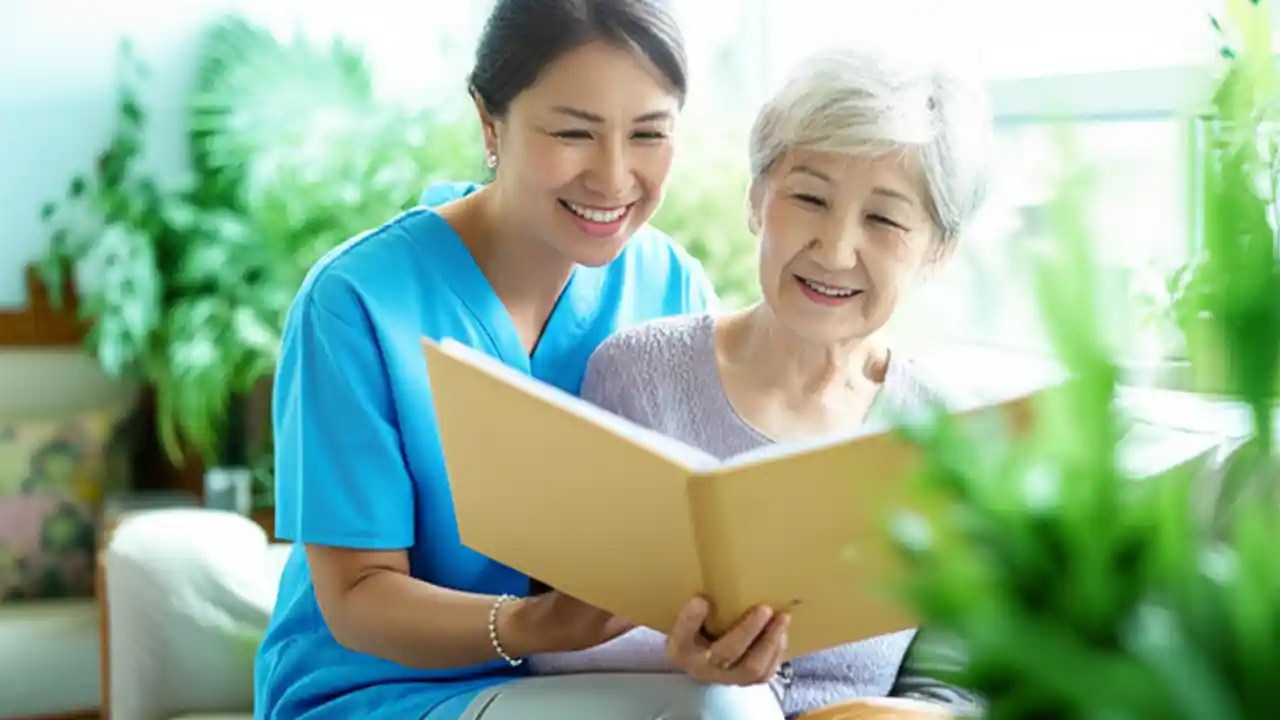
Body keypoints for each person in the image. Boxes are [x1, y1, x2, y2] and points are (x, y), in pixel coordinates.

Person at [253, 1, 794, 718]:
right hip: (379, 692)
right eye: (573, 132)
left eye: (648, 134)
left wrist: (708, 636)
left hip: (584, 681)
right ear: (490, 123)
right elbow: (356, 597)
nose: (613, 177)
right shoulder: (355, 302)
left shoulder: (671, 286)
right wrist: (537, 626)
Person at [526, 45, 994, 719]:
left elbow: (958, 679)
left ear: (939, 251)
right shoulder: (638, 375)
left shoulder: (945, 434)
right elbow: (555, 639)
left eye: (884, 219)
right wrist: (686, 657)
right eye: (809, 198)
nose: (834, 249)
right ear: (756, 199)